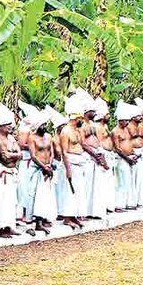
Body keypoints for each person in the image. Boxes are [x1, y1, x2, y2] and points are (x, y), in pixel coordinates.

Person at [57, 94, 92, 229]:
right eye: (81, 119)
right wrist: (68, 169)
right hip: (70, 162)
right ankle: (67, 217)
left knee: (78, 190)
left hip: (80, 161)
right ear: (76, 118)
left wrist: (97, 155)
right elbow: (64, 151)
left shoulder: (79, 130)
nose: (82, 121)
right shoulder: (65, 132)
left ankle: (75, 215)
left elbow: (83, 145)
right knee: (69, 190)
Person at [21, 108, 57, 232]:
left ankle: (39, 222)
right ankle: (29, 224)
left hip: (47, 169)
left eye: (45, 124)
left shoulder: (49, 136)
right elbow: (33, 155)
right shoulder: (32, 138)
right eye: (43, 125)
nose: (45, 126)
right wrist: (43, 167)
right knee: (33, 195)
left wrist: (49, 165)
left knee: (44, 197)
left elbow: (51, 152)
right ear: (37, 126)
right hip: (37, 169)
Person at [0, 103, 21, 238]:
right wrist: (3, 155)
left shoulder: (12, 139)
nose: (10, 126)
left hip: (12, 171)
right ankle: (1, 227)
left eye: (11, 124)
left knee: (11, 200)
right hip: (2, 173)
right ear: (1, 126)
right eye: (7, 124)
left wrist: (11, 155)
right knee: (2, 200)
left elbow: (19, 154)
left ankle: (9, 225)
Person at [87, 97, 116, 218]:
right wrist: (101, 157)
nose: (109, 115)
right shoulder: (97, 126)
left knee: (108, 182)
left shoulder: (105, 126)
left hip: (109, 155)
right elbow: (96, 142)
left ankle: (107, 205)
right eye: (107, 113)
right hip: (101, 155)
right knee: (100, 183)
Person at [111, 102, 139, 211]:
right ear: (120, 120)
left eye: (128, 120)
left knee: (129, 181)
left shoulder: (127, 129)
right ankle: (119, 205)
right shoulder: (115, 131)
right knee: (121, 182)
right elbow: (117, 148)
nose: (127, 123)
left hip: (130, 158)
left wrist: (133, 154)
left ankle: (128, 202)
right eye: (125, 121)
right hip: (121, 159)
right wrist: (127, 158)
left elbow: (129, 142)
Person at [129, 99, 143, 207]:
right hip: (134, 152)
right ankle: (135, 200)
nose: (142, 117)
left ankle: (142, 198)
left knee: (142, 176)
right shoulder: (128, 126)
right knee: (136, 177)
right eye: (139, 116)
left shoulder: (142, 125)